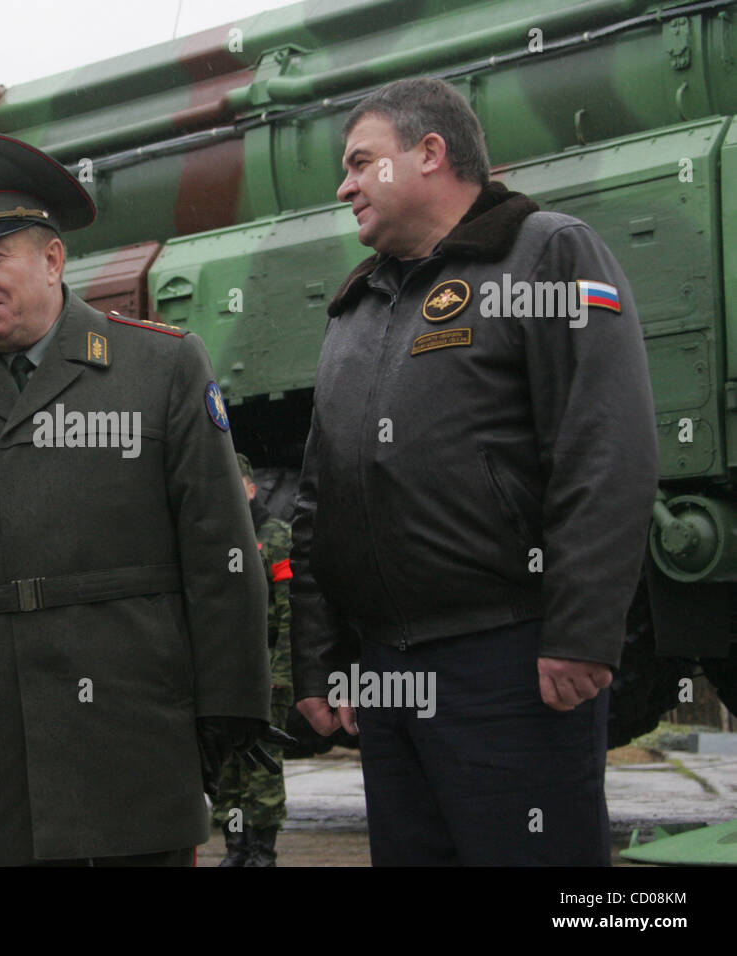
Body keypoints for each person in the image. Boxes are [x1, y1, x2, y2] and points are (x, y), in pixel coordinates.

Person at [290, 78, 657, 866]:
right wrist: (321, 662)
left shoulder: (549, 251)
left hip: (511, 662)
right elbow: (323, 497)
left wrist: (583, 630)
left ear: (430, 153)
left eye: (360, 162)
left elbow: (606, 444)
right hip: (387, 674)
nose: (343, 185)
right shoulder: (356, 309)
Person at [0, 130, 271, 866]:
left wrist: (225, 717)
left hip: (139, 743)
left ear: (52, 259)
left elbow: (220, 556)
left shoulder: (161, 367)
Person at [211, 453, 294, 866]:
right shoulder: (220, 541)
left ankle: (262, 850)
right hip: (228, 669)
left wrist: (280, 673)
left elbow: (290, 612)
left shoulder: (276, 536)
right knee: (230, 765)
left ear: (251, 487)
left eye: (237, 484)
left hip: (265, 667)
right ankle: (236, 847)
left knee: (262, 765)